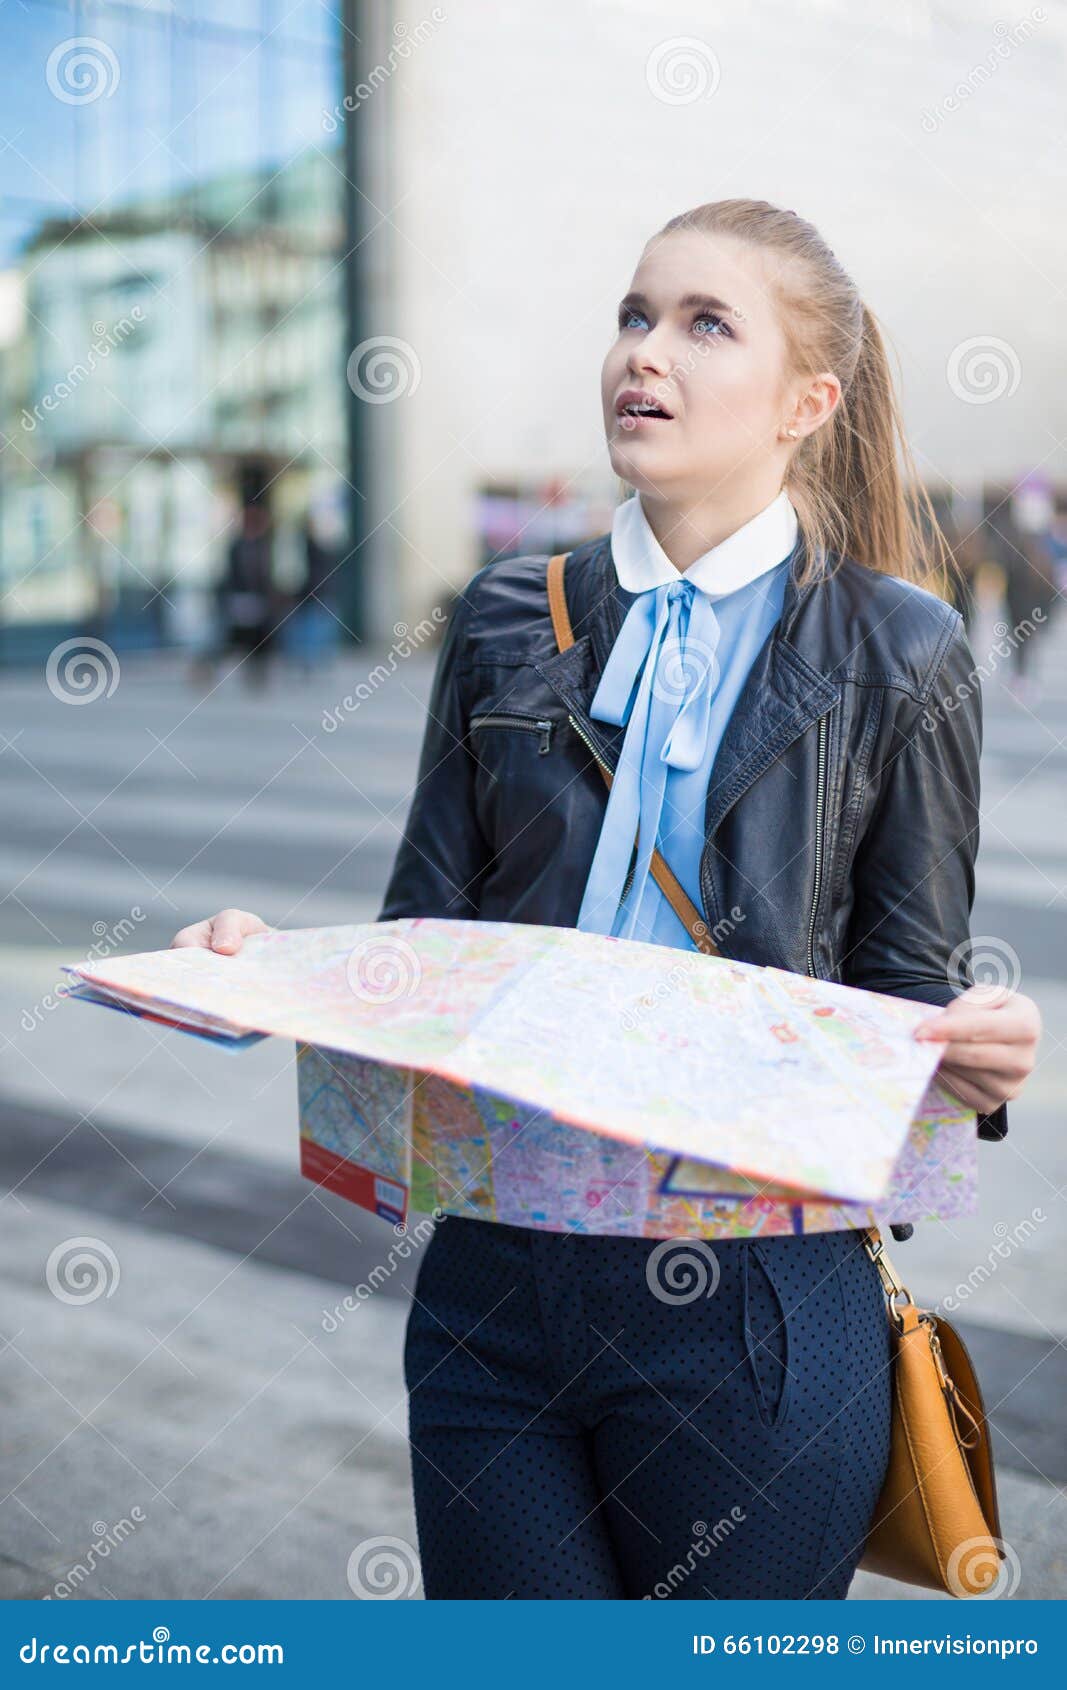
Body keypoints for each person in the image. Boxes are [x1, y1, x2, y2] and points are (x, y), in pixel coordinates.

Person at [169, 200, 1042, 1600]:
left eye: (706, 324)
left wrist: (972, 1058)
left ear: (807, 401)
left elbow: (903, 978)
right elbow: (426, 939)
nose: (647, 351)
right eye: (636, 315)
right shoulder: (508, 612)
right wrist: (277, 968)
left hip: (755, 1306)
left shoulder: (903, 645)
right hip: (492, 1290)